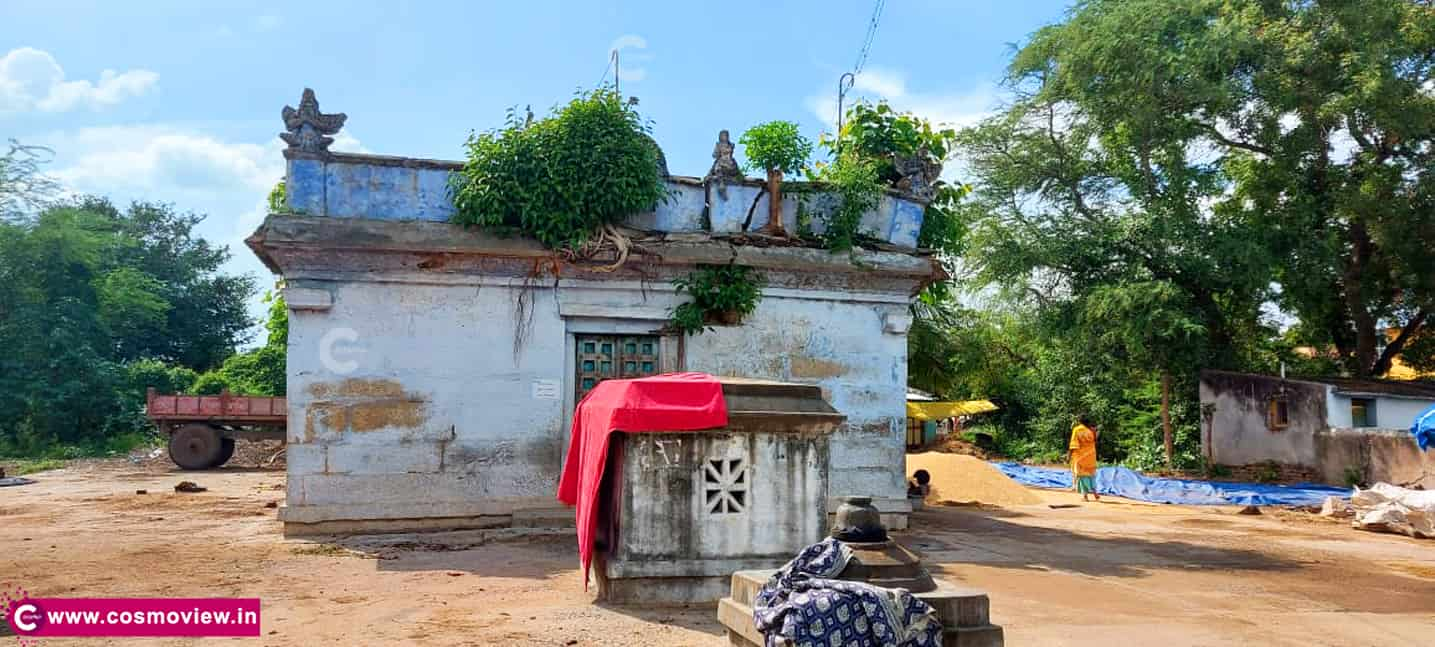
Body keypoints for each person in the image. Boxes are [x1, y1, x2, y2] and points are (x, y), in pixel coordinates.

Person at [1069, 416, 1100, 502]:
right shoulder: (1091, 430)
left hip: (1081, 456)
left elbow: (1073, 444)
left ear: (1080, 421)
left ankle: (1085, 496)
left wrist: (1069, 454)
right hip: (1091, 456)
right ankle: (1095, 493)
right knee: (1091, 475)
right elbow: (1095, 441)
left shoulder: (1077, 430)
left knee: (1082, 476)